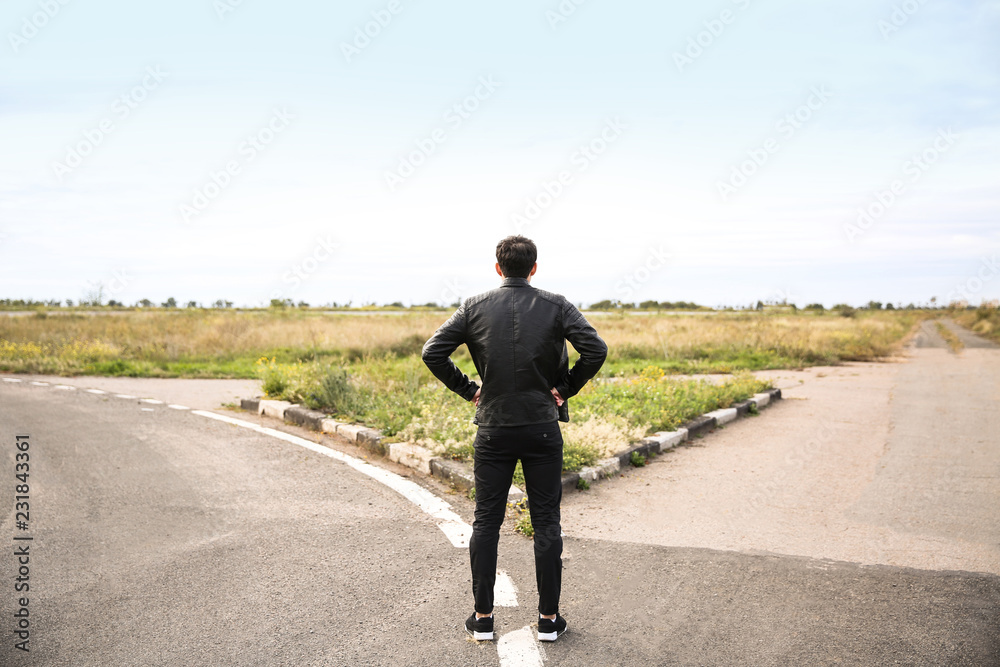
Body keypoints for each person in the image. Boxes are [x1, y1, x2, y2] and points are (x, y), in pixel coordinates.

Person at [421, 235, 608, 642]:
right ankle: (548, 621)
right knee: (546, 523)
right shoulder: (557, 304)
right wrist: (566, 388)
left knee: (486, 521)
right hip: (542, 427)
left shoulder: (473, 306)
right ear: (534, 268)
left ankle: (483, 618)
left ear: (497, 268)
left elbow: (432, 352)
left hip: (493, 429)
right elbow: (595, 349)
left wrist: (470, 390)